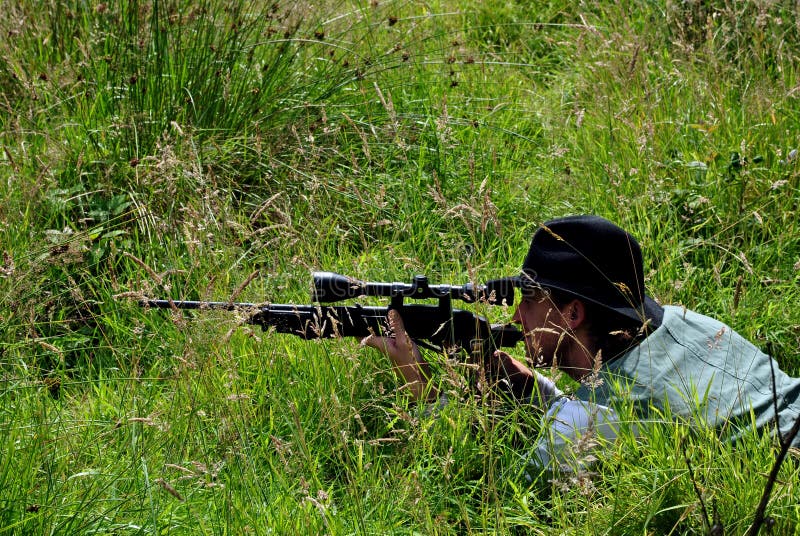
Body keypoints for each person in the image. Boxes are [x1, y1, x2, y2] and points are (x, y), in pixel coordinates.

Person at [362, 215, 800, 471]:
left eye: (529, 300)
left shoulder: (601, 414)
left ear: (572, 314)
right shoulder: (689, 322)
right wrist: (534, 390)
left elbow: (488, 492)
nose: (515, 317)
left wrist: (423, 392)